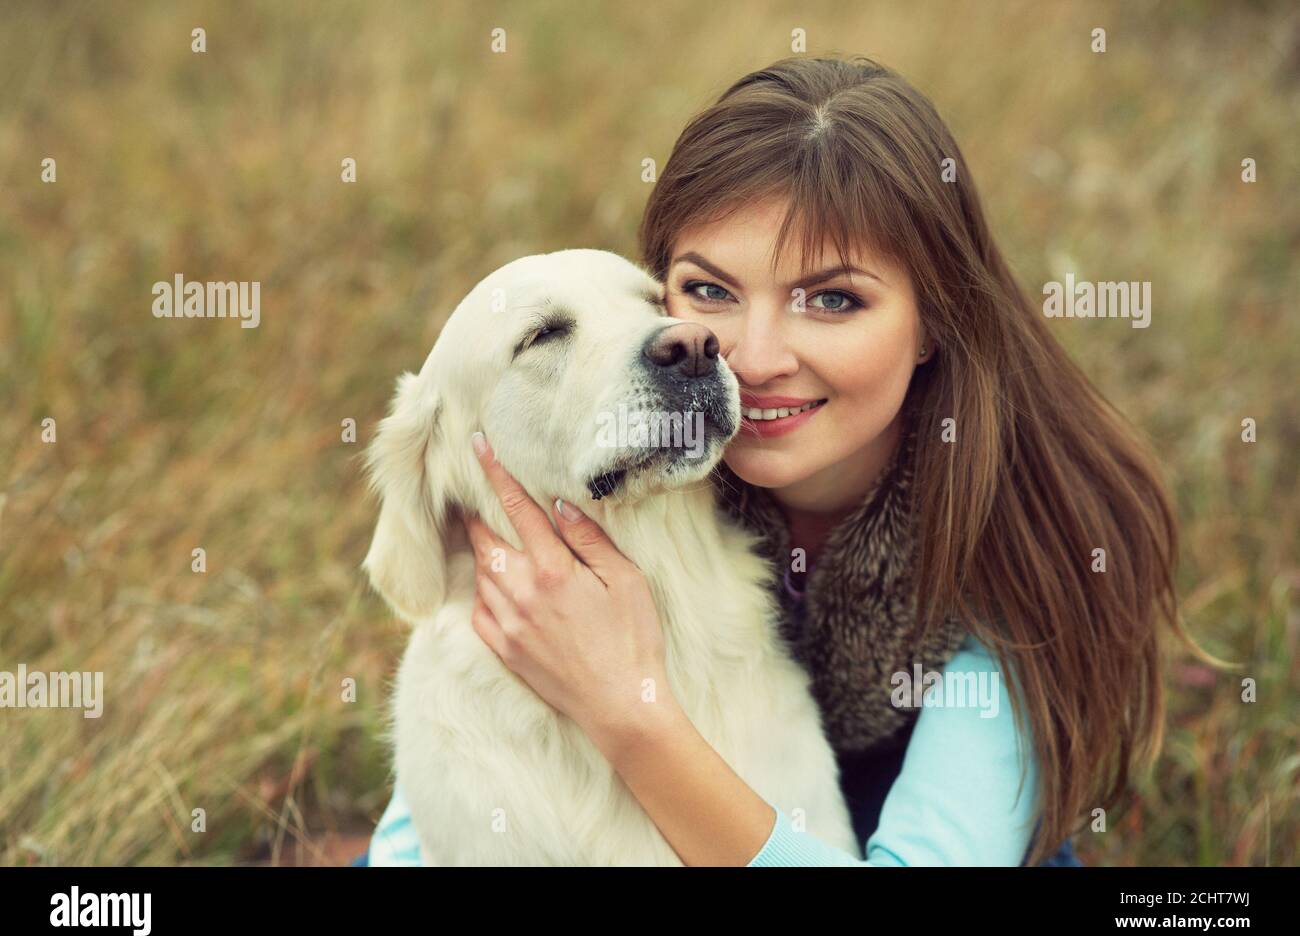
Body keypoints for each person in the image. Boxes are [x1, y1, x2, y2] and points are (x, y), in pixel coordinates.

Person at [363, 55, 1198, 866]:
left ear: (935, 323)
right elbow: (451, 764)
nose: (749, 359)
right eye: (711, 292)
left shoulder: (1022, 547)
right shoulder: (645, 454)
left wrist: (628, 710)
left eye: (832, 300)